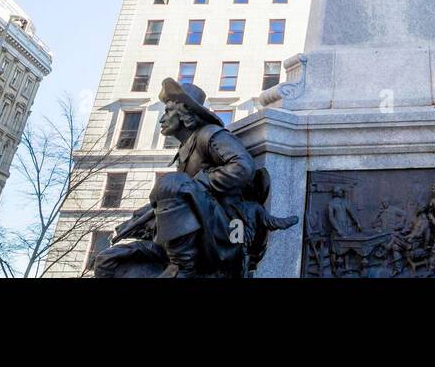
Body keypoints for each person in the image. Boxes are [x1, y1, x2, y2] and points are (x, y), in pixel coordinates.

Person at [92, 79, 296, 278]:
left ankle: (183, 268)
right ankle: (176, 262)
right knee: (109, 261)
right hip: (187, 235)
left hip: (221, 233)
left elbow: (243, 166)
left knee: (172, 184)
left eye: (167, 111)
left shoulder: (211, 135)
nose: (162, 118)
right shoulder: (185, 148)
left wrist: (198, 184)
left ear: (184, 114)